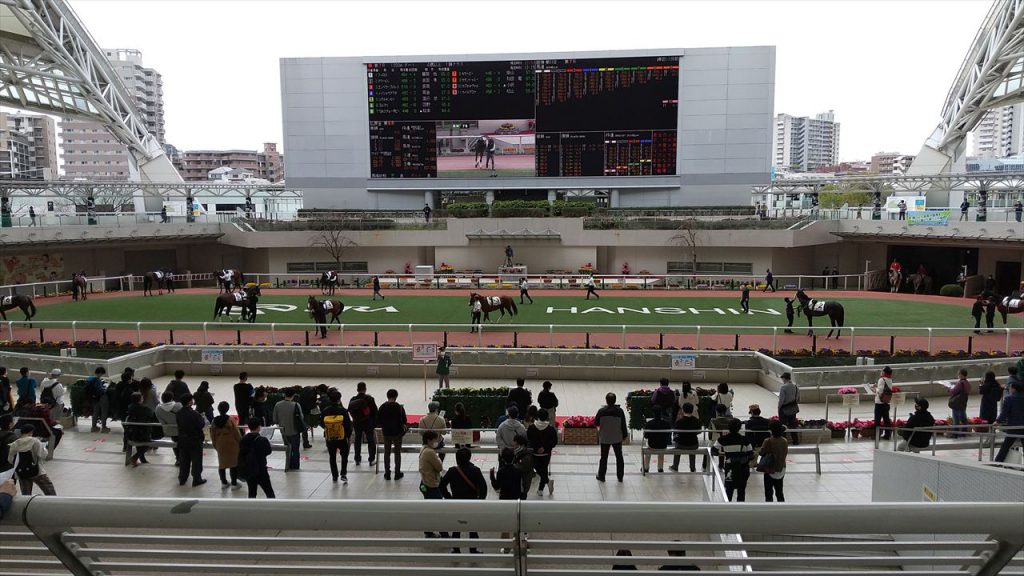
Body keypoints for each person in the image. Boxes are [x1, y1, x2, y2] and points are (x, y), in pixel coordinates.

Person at [440, 447, 487, 553]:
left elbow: (442, 485)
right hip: (472, 503)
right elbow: (483, 488)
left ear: (457, 459)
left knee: (457, 527)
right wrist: (480, 500)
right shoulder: (476, 470)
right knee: (473, 528)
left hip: (457, 503)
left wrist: (448, 497)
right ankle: (473, 549)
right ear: (469, 458)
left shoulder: (452, 471)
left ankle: (456, 549)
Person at [8, 423, 56, 495]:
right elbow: (43, 455)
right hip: (38, 471)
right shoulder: (35, 441)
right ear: (31, 432)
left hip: (22, 473)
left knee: (26, 496)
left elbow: (10, 460)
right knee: (50, 492)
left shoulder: (15, 444)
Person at [712, 418, 753, 502]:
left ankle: (728, 508)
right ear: (739, 428)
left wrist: (724, 453)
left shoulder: (723, 439)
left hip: (730, 467)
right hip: (743, 467)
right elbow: (750, 454)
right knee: (741, 491)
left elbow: (714, 450)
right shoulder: (745, 439)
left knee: (729, 490)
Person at [418, 430, 449, 538]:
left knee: (429, 509)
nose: (437, 441)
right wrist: (438, 458)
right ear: (429, 440)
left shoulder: (423, 449)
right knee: (439, 510)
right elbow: (439, 467)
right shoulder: (430, 452)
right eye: (435, 439)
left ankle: (428, 530)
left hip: (425, 482)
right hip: (432, 485)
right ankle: (444, 533)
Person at [238, 418, 275, 498]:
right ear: (259, 427)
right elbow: (268, 451)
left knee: (252, 492)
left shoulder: (244, 439)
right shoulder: (262, 440)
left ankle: (252, 508)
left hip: (249, 469)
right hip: (261, 469)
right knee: (269, 492)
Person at [322, 388, 353, 483]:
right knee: (344, 456)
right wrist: (348, 436)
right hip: (342, 438)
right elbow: (348, 424)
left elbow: (322, 423)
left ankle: (334, 475)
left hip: (330, 438)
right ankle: (343, 474)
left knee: (332, 457)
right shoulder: (343, 411)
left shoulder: (326, 410)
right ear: (339, 399)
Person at [176, 393, 207, 487]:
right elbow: (201, 425)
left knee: (184, 460)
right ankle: (196, 479)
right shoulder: (195, 414)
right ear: (190, 402)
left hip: (182, 440)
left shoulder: (178, 413)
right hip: (195, 440)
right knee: (196, 460)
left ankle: (182, 478)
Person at [595, 392, 628, 483]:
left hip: (605, 437)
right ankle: (620, 476)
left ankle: (602, 476)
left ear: (606, 400)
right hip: (617, 437)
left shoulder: (601, 411)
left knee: (604, 457)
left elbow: (596, 423)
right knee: (619, 457)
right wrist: (624, 435)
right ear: (615, 401)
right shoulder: (619, 411)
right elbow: (623, 424)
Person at [377, 388, 407, 480]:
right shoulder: (399, 407)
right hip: (397, 433)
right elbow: (405, 420)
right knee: (397, 453)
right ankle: (397, 473)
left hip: (386, 433)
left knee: (387, 453)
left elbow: (378, 420)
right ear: (396, 397)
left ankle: (387, 473)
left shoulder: (382, 407)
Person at [211, 401, 242, 489]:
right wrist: (240, 442)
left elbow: (212, 434)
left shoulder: (214, 421)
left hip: (220, 443)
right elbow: (236, 433)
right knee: (233, 463)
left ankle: (224, 482)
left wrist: (215, 445)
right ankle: (234, 483)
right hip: (232, 443)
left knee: (222, 464)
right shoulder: (230, 419)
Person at [272, 387, 305, 471]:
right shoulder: (296, 405)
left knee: (287, 448)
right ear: (293, 395)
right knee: (295, 449)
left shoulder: (277, 404)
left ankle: (288, 464)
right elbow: (301, 417)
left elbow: (275, 419)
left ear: (284, 394)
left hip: (284, 431)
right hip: (295, 431)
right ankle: (295, 466)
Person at [669, 402, 706, 473]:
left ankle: (675, 466)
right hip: (693, 444)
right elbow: (699, 431)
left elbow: (676, 432)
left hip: (681, 444)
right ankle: (692, 467)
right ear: (692, 410)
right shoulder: (696, 420)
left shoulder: (679, 421)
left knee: (677, 446)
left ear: (683, 410)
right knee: (692, 450)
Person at [528, 408, 557, 495]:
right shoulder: (551, 429)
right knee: (544, 469)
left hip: (535, 453)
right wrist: (545, 448)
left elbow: (529, 440)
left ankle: (541, 489)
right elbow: (554, 442)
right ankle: (544, 485)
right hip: (546, 453)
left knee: (539, 469)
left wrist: (537, 448)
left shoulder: (532, 428)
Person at [348, 381, 378, 466]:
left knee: (357, 440)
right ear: (365, 389)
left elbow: (350, 410)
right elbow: (375, 412)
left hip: (357, 423)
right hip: (368, 422)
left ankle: (357, 459)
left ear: (357, 389)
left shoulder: (353, 399)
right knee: (370, 440)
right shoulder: (369, 399)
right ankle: (371, 459)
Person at [758, 420, 789, 502]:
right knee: (779, 491)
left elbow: (761, 453)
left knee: (768, 492)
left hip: (770, 468)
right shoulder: (784, 440)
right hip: (781, 467)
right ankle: (782, 508)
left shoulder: (768, 441)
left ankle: (769, 509)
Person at [994, 380, 1024, 462]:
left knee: (1005, 446)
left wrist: (998, 421)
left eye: (1010, 388)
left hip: (1014, 426)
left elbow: (1004, 413)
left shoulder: (1009, 398)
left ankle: (998, 462)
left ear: (1014, 389)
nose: (1009, 390)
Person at [124, 392, 156, 467]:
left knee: (141, 443)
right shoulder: (144, 409)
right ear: (139, 399)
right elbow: (151, 414)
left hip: (132, 433)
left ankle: (141, 459)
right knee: (147, 444)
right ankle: (134, 458)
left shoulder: (130, 407)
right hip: (141, 433)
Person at [155, 391, 181, 465]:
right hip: (181, 429)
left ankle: (178, 459)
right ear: (172, 398)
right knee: (182, 444)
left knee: (175, 444)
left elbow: (162, 422)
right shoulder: (178, 405)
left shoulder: (158, 409)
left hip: (170, 430)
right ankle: (183, 459)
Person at [643, 409, 672, 474]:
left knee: (647, 448)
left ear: (653, 414)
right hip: (663, 445)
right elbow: (668, 434)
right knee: (661, 449)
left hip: (652, 445)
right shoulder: (666, 423)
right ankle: (660, 468)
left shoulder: (649, 423)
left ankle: (646, 467)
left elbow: (646, 436)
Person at [872, 366, 895, 440]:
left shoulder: (881, 379)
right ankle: (887, 435)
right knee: (886, 419)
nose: (881, 372)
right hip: (886, 402)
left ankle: (876, 436)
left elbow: (880, 391)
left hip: (879, 402)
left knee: (877, 420)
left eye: (882, 371)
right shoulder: (890, 379)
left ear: (884, 372)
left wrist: (874, 388)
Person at [777, 372, 800, 445]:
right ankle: (795, 441)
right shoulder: (796, 387)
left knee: (783, 425)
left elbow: (781, 400)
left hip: (784, 409)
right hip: (793, 408)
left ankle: (783, 441)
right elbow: (798, 399)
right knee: (792, 424)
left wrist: (779, 407)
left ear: (784, 378)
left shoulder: (783, 387)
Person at [85, 367, 110, 433]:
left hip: (94, 398)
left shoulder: (89, 378)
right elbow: (100, 390)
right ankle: (104, 428)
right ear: (100, 373)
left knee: (95, 412)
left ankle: (93, 427)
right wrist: (105, 388)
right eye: (102, 374)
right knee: (104, 412)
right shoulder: (97, 380)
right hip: (101, 398)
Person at [949, 369, 971, 438]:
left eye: (959, 374)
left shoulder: (960, 383)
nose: (958, 375)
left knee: (956, 419)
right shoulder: (967, 383)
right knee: (963, 417)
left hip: (957, 403)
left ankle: (955, 434)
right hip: (963, 402)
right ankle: (964, 432)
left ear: (961, 375)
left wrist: (949, 388)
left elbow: (954, 391)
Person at [512, 433, 535, 497]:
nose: (513, 446)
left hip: (522, 485)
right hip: (518, 484)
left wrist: (511, 467)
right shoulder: (517, 453)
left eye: (515, 444)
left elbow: (522, 468)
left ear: (521, 445)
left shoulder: (526, 457)